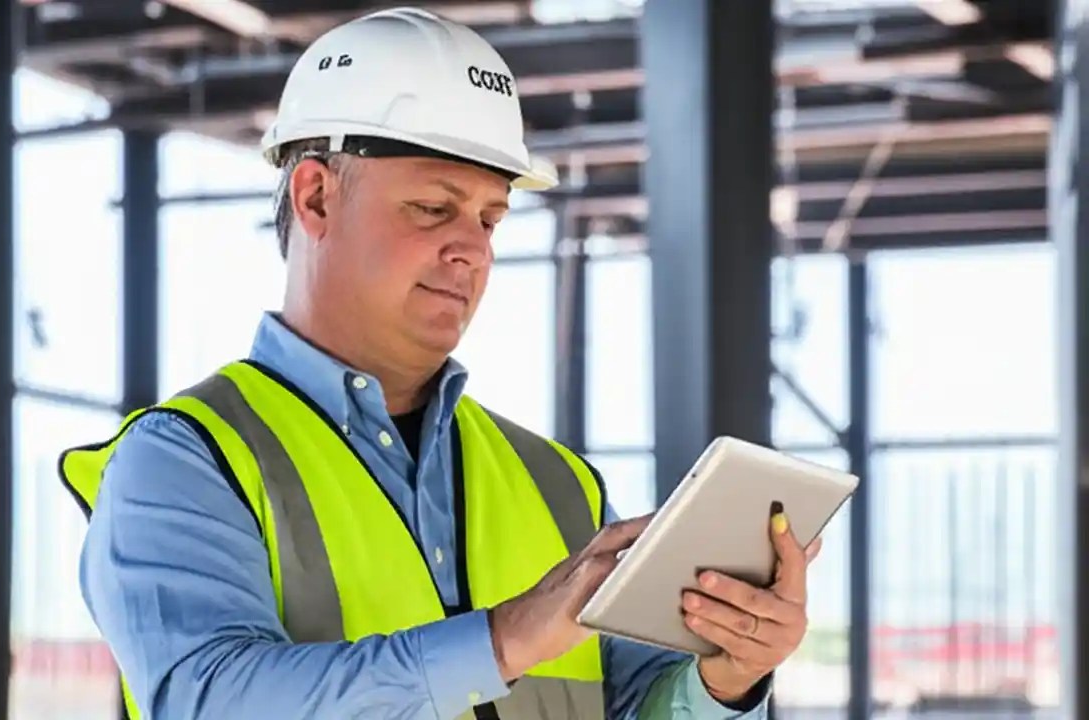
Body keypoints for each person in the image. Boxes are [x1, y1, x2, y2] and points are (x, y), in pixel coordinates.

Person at [61, 7, 822, 719]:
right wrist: (507, 639)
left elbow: (632, 705)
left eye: (491, 218)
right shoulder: (183, 462)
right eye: (433, 209)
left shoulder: (558, 485)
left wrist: (723, 676)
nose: (474, 249)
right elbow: (210, 699)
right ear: (317, 198)